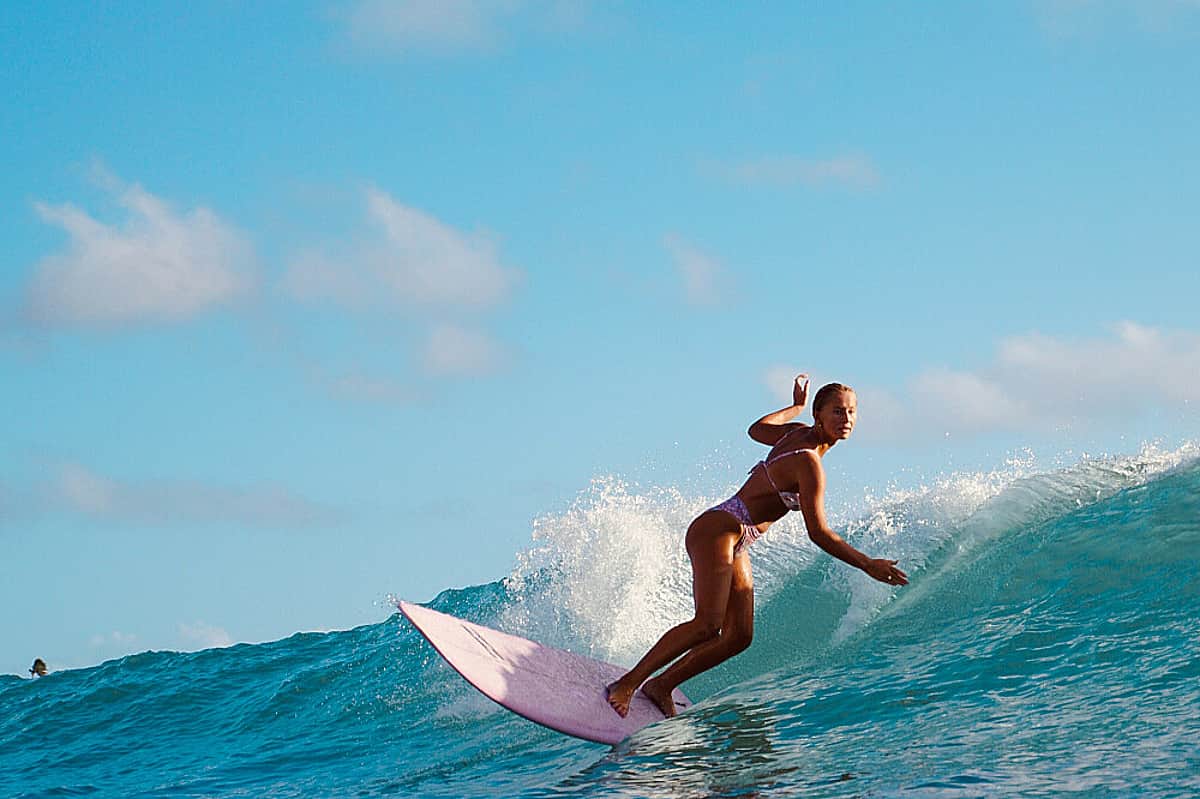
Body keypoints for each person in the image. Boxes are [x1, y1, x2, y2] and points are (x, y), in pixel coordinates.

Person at [606, 375, 908, 718]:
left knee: (738, 636)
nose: (846, 419)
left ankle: (662, 685)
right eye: (837, 412)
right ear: (819, 415)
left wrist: (793, 407)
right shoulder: (809, 460)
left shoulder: (795, 432)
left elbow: (757, 428)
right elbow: (819, 532)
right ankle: (627, 683)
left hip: (738, 537)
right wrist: (868, 564)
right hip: (720, 528)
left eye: (852, 412)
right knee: (707, 624)